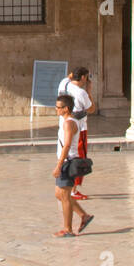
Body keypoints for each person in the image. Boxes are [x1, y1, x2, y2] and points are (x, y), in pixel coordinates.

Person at [53, 92, 93, 238]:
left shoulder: (69, 123)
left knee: (64, 196)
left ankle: (68, 229)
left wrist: (58, 165)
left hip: (67, 162)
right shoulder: (68, 122)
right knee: (60, 194)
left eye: (59, 107)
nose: (56, 109)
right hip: (65, 161)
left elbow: (67, 145)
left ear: (66, 109)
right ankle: (84, 216)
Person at [57, 67, 95, 201]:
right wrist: (89, 91)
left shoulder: (64, 83)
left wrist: (72, 75)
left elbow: (69, 76)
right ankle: (72, 189)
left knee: (65, 151)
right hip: (79, 128)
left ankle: (65, 186)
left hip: (64, 124)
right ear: (83, 78)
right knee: (77, 157)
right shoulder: (81, 93)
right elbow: (91, 109)